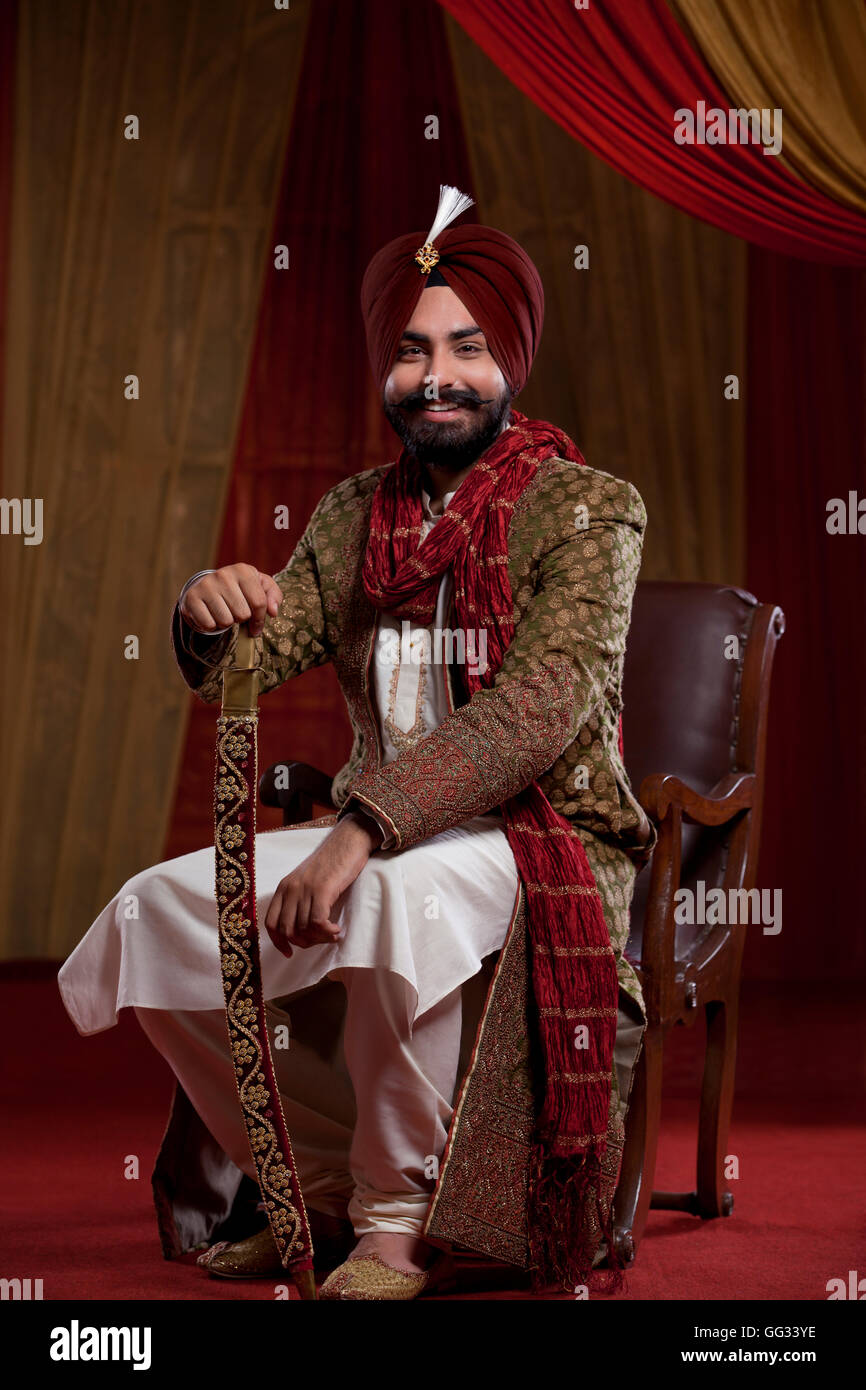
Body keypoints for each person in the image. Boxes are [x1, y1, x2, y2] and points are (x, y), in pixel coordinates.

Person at [58, 185, 656, 1301]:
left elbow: (536, 712)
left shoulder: (586, 510)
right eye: (410, 349)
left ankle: (395, 1227)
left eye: (467, 347)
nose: (435, 374)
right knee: (156, 910)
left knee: (386, 894)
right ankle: (318, 1192)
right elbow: (262, 642)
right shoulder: (353, 515)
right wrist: (204, 605)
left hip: (540, 839)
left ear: (509, 359)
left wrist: (357, 831)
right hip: (387, 828)